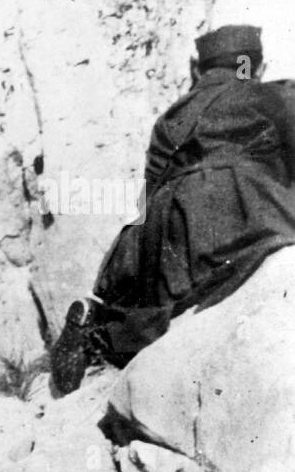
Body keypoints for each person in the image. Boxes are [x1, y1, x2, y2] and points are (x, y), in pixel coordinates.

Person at [52, 25, 295, 394]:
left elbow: (148, 194)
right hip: (242, 209)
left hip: (164, 234)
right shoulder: (271, 96)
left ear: (197, 70)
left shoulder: (169, 119)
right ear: (257, 67)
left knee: (164, 313)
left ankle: (99, 331)